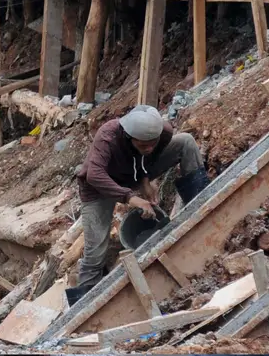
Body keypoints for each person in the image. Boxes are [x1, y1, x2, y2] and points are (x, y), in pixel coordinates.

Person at [70, 105, 211, 302]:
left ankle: (201, 208)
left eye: (152, 143)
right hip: (98, 189)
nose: (150, 148)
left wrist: (145, 182)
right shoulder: (108, 136)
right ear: (129, 137)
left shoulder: (164, 133)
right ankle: (84, 306)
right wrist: (131, 198)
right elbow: (95, 175)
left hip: (132, 175)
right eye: (143, 145)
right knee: (95, 251)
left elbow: (149, 158)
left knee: (185, 142)